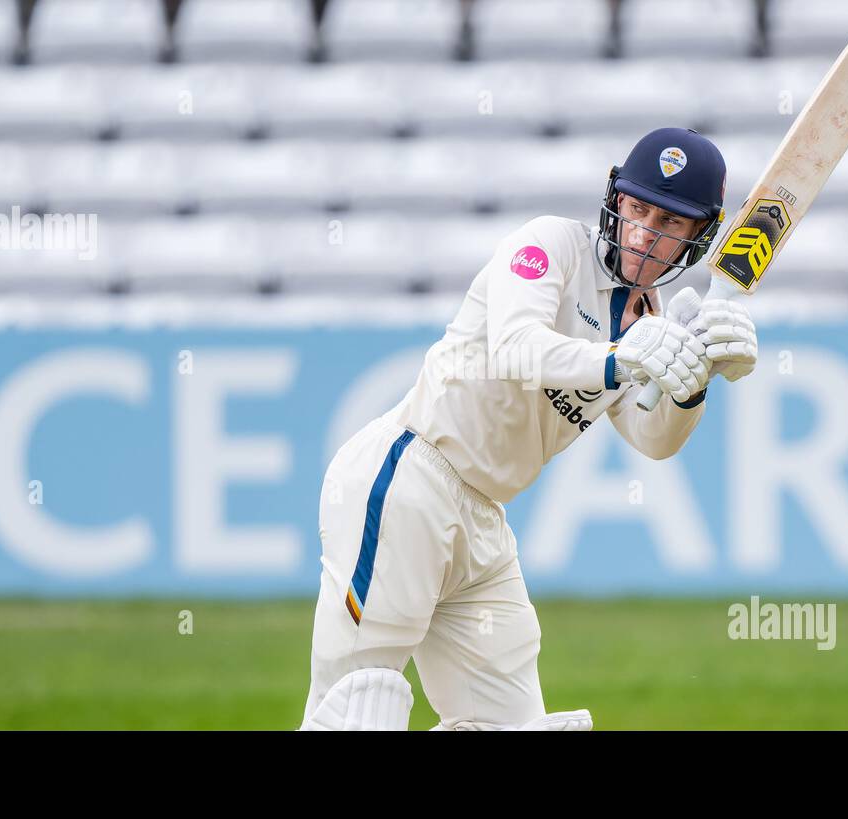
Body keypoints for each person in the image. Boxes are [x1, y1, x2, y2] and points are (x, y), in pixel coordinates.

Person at [300, 127, 758, 730]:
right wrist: (626, 357)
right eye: (639, 208)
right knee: (358, 706)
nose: (647, 232)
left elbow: (653, 440)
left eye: (670, 222)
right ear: (615, 201)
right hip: (409, 478)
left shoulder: (644, 319)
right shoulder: (551, 246)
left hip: (484, 524)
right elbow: (514, 349)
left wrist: (693, 377)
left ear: (698, 236)